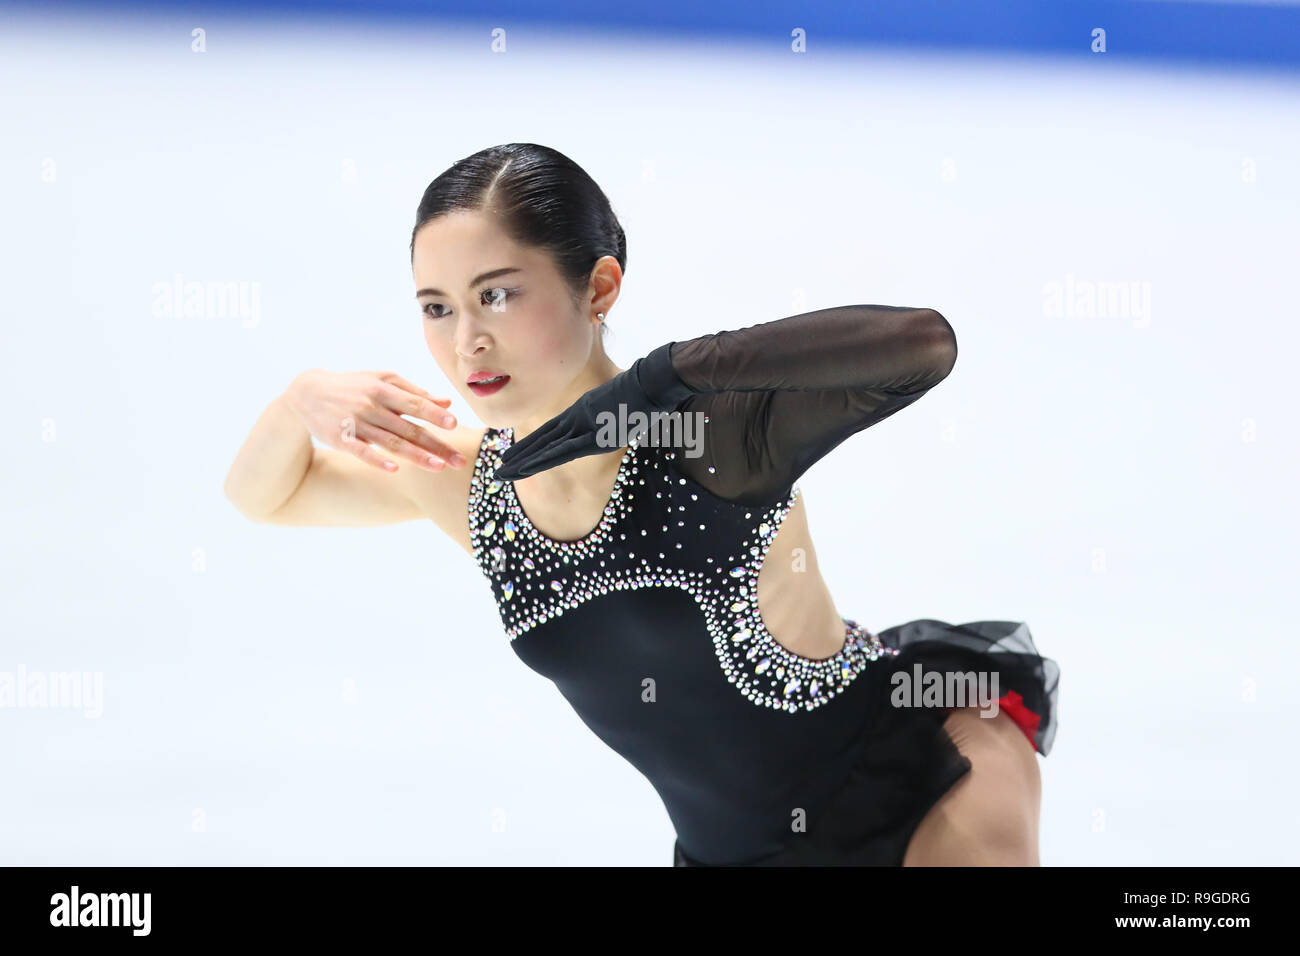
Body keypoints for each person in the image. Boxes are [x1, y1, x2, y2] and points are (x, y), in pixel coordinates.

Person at [224, 143, 1059, 866]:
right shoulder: (471, 484)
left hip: (924, 780)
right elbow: (269, 496)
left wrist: (675, 374)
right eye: (437, 308)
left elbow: (922, 347)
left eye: (499, 294)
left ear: (600, 287)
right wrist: (296, 401)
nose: (466, 341)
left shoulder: (708, 443)